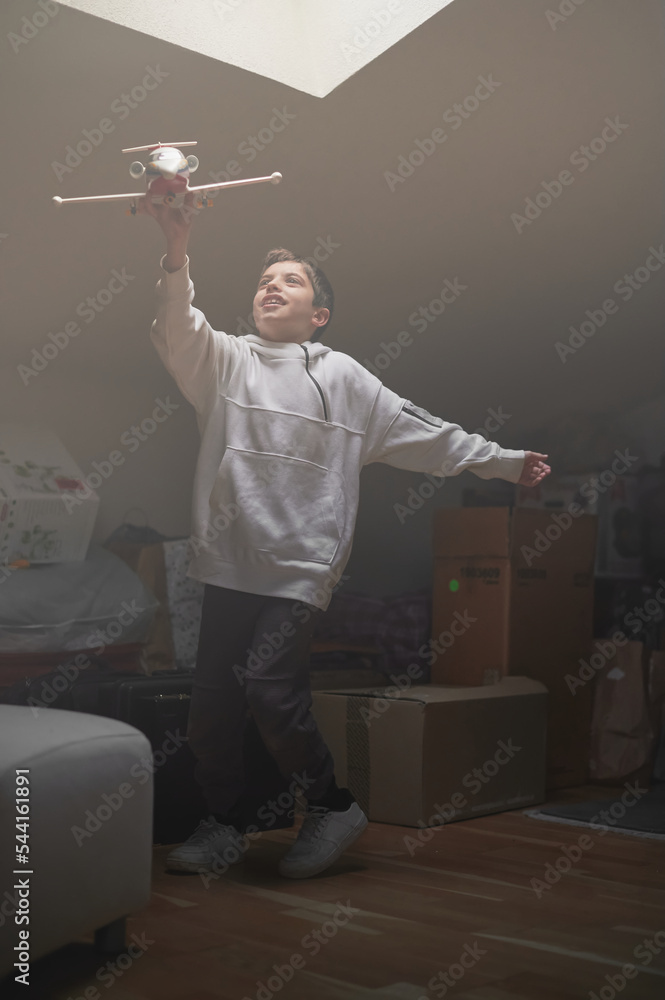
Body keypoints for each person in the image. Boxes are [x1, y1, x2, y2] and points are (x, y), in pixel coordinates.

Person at [141, 192, 551, 879]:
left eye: (290, 280)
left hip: (301, 566)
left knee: (271, 693)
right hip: (228, 563)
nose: (272, 287)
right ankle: (226, 821)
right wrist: (176, 243)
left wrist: (505, 463)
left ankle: (333, 807)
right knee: (210, 707)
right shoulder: (224, 361)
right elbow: (175, 324)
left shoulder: (344, 377)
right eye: (264, 280)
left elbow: (429, 434)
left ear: (319, 315)